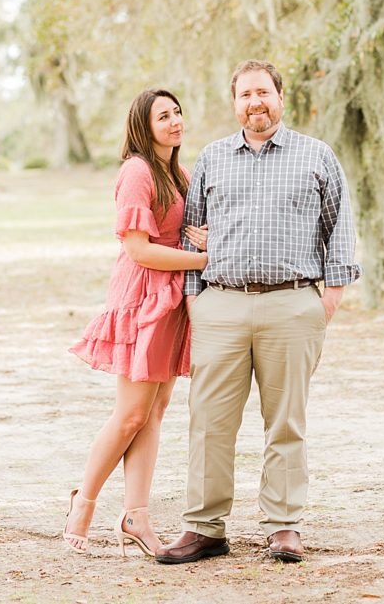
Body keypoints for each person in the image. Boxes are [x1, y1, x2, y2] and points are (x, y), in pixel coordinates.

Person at [156, 59, 359, 565]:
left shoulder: (316, 156)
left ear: (280, 97)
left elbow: (341, 228)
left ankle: (283, 525)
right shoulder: (212, 159)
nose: (255, 102)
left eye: (263, 92)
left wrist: (326, 298)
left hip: (292, 305)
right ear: (236, 102)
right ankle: (204, 526)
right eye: (245, 94)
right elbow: (192, 232)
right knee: (208, 420)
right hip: (220, 304)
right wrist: (195, 299)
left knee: (285, 420)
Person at [62, 88, 210, 557]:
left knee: (155, 410)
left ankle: (136, 516)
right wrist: (202, 258)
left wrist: (201, 239)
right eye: (162, 115)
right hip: (143, 296)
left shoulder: (180, 172)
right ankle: (82, 504)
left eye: (177, 112)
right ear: (143, 126)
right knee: (130, 414)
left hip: (171, 299)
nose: (174, 121)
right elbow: (139, 249)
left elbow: (184, 228)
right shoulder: (137, 171)